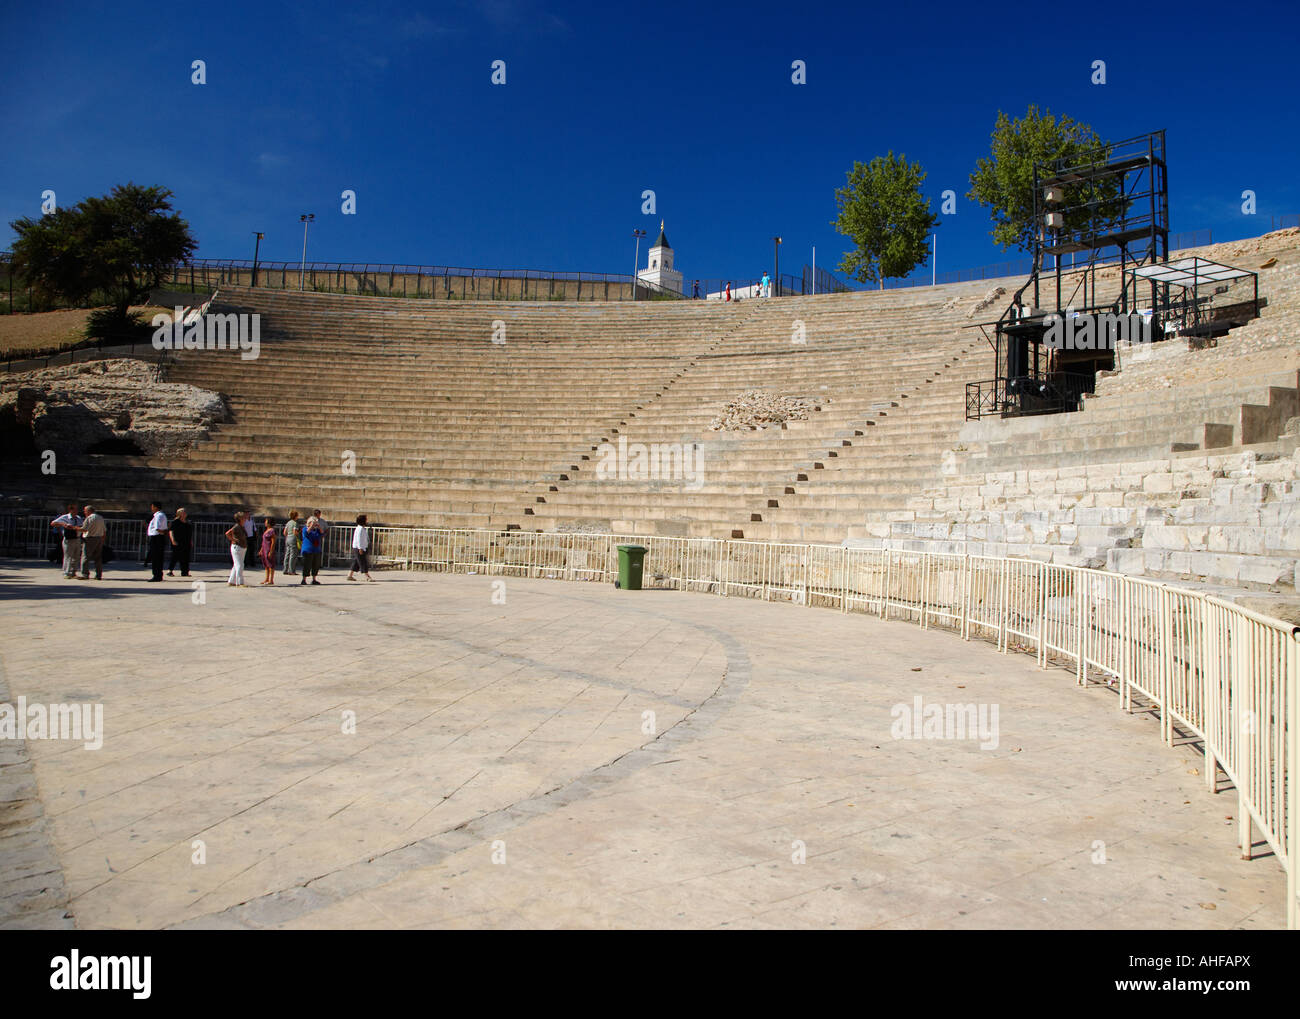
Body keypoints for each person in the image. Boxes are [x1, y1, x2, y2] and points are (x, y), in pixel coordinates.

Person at [51, 504, 83, 579]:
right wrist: (63, 524)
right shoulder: (65, 517)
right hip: (69, 538)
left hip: (77, 538)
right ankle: (66, 572)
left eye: (77, 510)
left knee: (76, 556)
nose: (76, 511)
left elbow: (81, 526)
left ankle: (73, 572)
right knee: (68, 555)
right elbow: (53, 523)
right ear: (70, 510)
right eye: (74, 510)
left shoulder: (78, 518)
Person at [78, 505, 107, 580]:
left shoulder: (89, 518)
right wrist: (103, 539)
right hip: (99, 538)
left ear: (89, 511)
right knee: (98, 557)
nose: (84, 512)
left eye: (85, 511)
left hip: (90, 538)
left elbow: (84, 529)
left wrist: (74, 528)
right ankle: (98, 574)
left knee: (85, 556)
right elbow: (104, 530)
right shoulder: (100, 517)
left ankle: (85, 574)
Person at [347, 514, 374, 582]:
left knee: (356, 562)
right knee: (362, 562)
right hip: (359, 548)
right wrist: (360, 548)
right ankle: (367, 576)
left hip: (361, 547)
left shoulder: (362, 528)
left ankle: (350, 575)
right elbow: (359, 539)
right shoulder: (360, 529)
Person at [146, 502, 168, 582]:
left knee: (156, 558)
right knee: (158, 557)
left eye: (152, 506)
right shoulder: (162, 515)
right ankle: (158, 574)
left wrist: (161, 533)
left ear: (156, 507)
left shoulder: (158, 516)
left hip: (157, 537)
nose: (151, 508)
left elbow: (157, 528)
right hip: (159, 537)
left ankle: (156, 575)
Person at [299, 514, 323, 585]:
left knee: (316, 565)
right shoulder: (305, 529)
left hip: (316, 550)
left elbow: (322, 533)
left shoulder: (316, 530)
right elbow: (306, 534)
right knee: (307, 565)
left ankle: (314, 579)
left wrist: (319, 527)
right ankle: (304, 579)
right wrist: (311, 526)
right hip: (308, 550)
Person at [225, 512, 248, 587]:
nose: (245, 519)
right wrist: (233, 539)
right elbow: (227, 533)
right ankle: (240, 582)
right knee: (239, 565)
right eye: (243, 518)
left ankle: (231, 581)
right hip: (237, 547)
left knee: (236, 565)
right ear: (240, 519)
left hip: (241, 547)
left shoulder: (241, 526)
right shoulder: (237, 526)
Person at [168, 507, 193, 577]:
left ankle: (185, 571)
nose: (185, 514)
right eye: (183, 512)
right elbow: (171, 531)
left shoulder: (188, 523)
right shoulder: (175, 522)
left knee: (186, 557)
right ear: (179, 514)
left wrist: (191, 541)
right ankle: (170, 570)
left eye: (185, 512)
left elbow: (189, 533)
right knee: (175, 556)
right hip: (177, 541)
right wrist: (172, 540)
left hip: (186, 542)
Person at [259, 518, 277, 586]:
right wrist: (261, 550)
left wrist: (271, 551)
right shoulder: (266, 530)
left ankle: (271, 580)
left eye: (266, 522)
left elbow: (273, 541)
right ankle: (266, 578)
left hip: (269, 549)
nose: (265, 523)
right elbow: (263, 541)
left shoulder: (272, 531)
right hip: (264, 548)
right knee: (266, 565)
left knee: (271, 565)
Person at [282, 510, 301, 576]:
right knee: (293, 555)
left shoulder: (288, 523)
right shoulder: (295, 523)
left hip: (288, 538)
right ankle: (292, 570)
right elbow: (295, 532)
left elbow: (284, 532)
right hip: (293, 538)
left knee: (287, 554)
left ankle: (285, 569)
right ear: (296, 516)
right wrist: (299, 532)